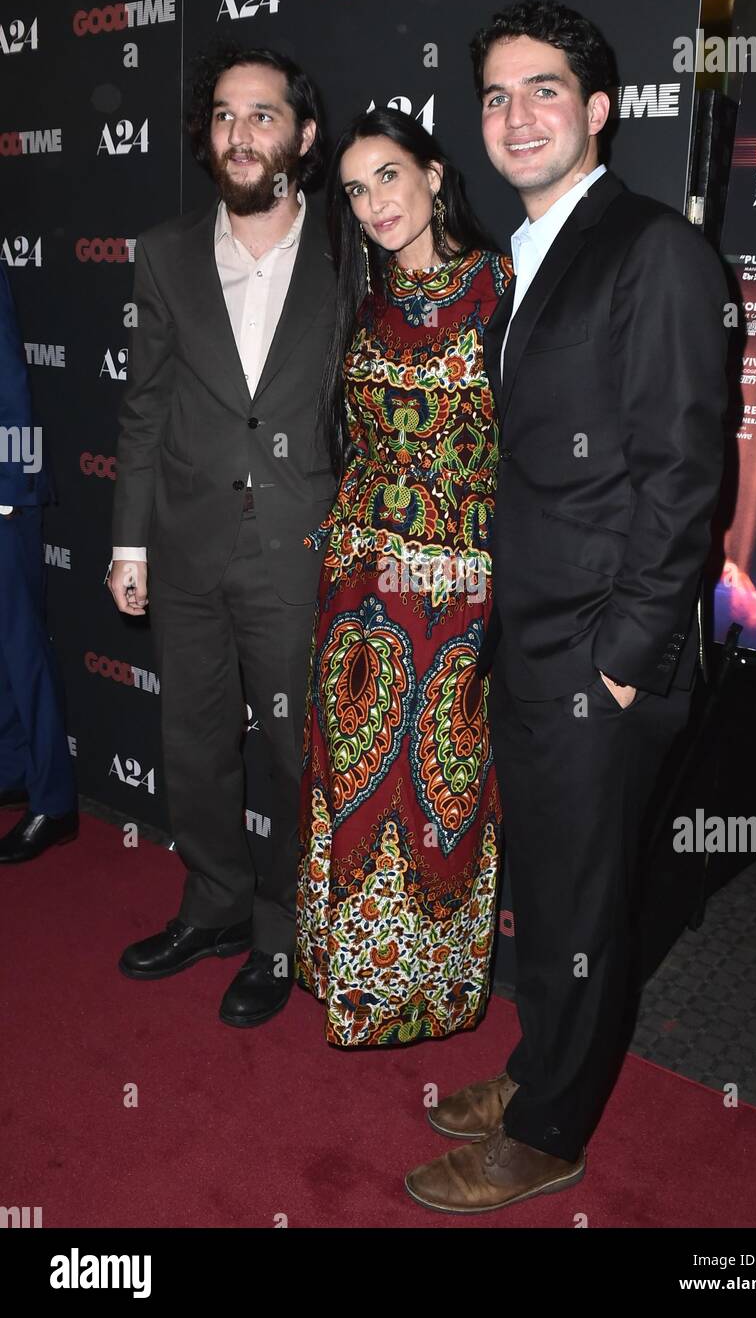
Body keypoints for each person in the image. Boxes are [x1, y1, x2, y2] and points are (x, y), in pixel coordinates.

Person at [406, 0, 729, 1212]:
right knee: (549, 888)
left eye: (544, 89)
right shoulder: (528, 254)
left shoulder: (654, 250)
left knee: (585, 898)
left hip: (600, 653)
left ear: (598, 111)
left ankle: (549, 1129)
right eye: (495, 95)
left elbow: (682, 476)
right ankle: (542, 1061)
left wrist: (624, 660)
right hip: (530, 641)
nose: (515, 115)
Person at [110, 45, 336, 1028]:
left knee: (291, 754)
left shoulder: (351, 252)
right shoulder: (163, 252)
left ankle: (280, 932)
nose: (242, 135)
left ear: (304, 135)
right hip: (188, 544)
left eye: (263, 115)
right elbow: (144, 407)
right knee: (193, 741)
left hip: (298, 548)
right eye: (224, 118)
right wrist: (129, 543)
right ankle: (212, 905)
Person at [295, 109, 513, 1047]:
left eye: (388, 176)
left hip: (459, 591)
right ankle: (350, 986)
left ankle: (431, 996)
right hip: (357, 589)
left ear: (432, 173)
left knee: (441, 795)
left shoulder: (501, 287)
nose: (374, 203)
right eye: (354, 189)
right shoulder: (364, 297)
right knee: (350, 789)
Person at [0, 265, 78, 864]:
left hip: (5, 498)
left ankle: (54, 802)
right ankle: (13, 769)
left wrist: (12, 488)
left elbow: (9, 376)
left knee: (25, 651)